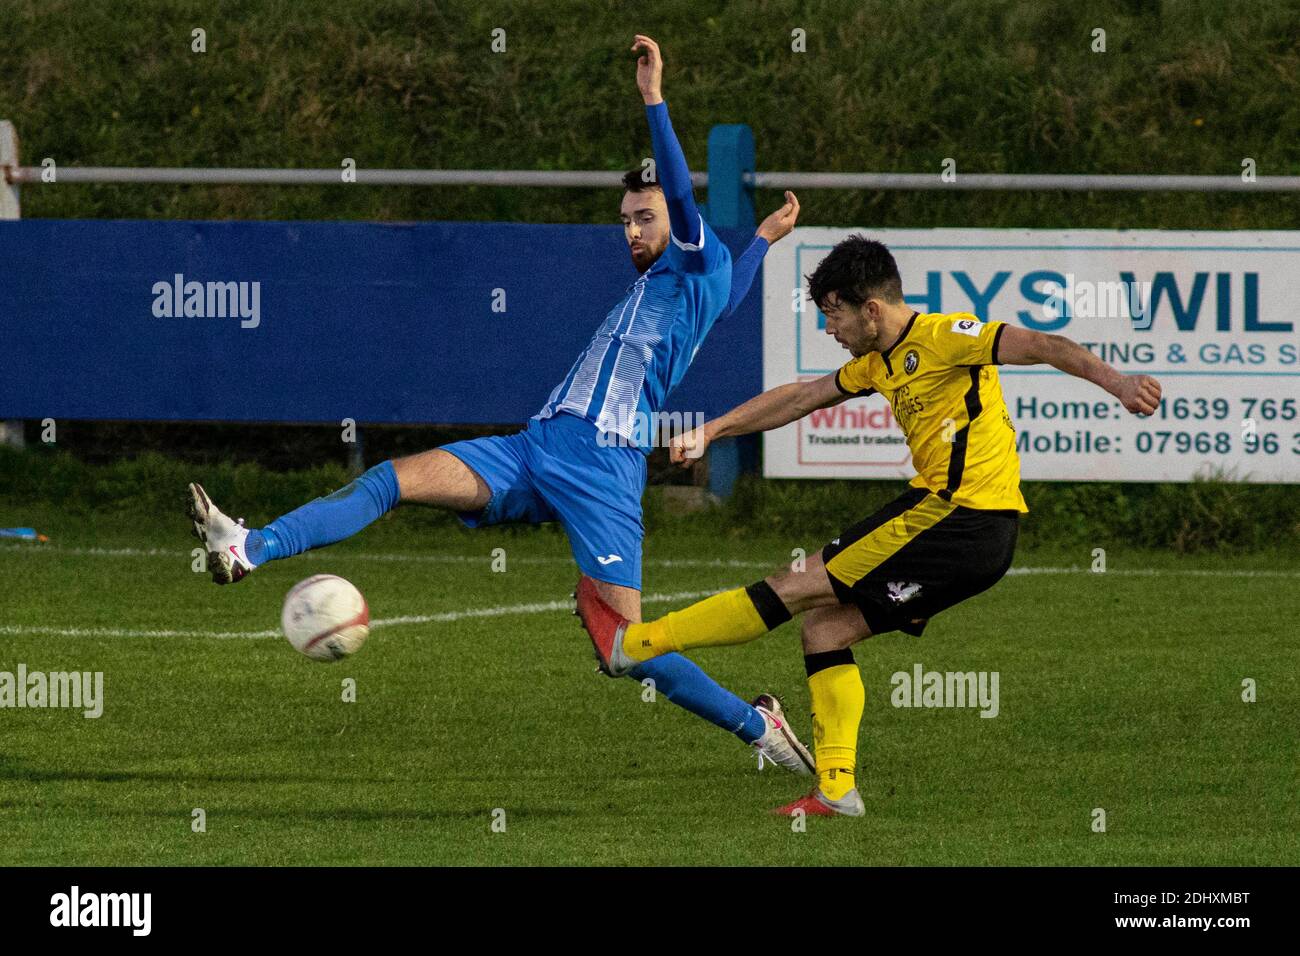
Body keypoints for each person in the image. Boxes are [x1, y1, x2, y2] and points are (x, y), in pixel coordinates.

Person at [187, 35, 814, 775]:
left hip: (603, 474)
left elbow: (683, 200)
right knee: (391, 479)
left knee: (623, 651)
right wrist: (766, 240)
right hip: (534, 447)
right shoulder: (687, 282)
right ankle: (247, 548)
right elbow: (732, 294)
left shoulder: (696, 255)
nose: (633, 231)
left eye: (643, 218)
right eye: (624, 220)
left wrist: (653, 99)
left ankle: (759, 726)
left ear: (678, 222)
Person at [577, 234, 1163, 816]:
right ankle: (837, 789)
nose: (831, 331)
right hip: (971, 536)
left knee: (795, 584)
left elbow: (1042, 344)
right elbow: (801, 397)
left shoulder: (945, 337)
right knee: (825, 633)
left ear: (871, 310)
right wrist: (711, 431)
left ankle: (635, 645)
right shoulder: (878, 362)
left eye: (835, 316)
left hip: (959, 516)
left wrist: (1118, 384)